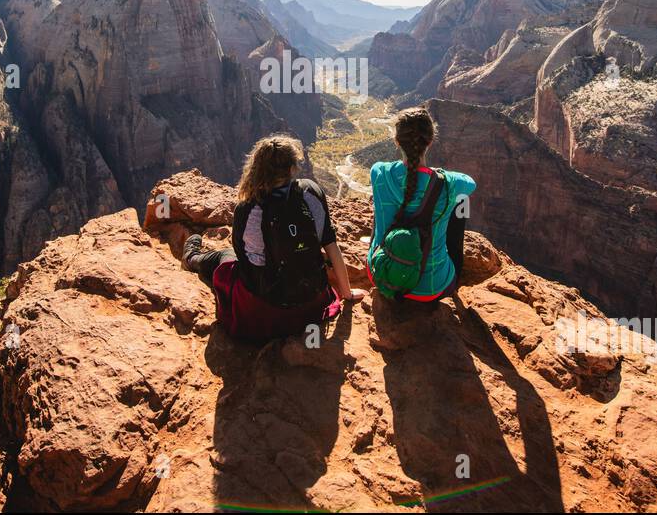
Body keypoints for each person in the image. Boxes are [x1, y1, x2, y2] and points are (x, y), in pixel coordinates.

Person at [182, 135, 368, 341]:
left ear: (257, 169)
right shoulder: (311, 192)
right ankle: (193, 257)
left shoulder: (248, 207)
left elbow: (243, 259)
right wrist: (347, 294)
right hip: (312, 302)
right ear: (292, 168)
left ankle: (191, 257)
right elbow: (331, 246)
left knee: (226, 256)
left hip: (267, 309)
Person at [368, 106, 477, 303]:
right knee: (461, 199)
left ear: (396, 140)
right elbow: (470, 183)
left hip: (383, 274)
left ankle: (385, 249)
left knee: (381, 200)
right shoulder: (449, 183)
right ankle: (454, 274)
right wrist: (437, 174)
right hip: (432, 287)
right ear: (431, 141)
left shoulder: (379, 172)